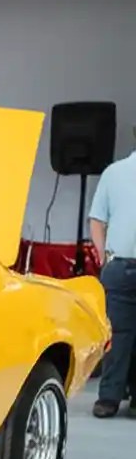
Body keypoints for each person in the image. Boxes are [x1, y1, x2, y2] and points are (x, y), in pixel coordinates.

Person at [88, 132, 136, 418]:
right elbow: (98, 218)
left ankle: (109, 400)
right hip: (119, 265)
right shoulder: (115, 172)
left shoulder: (113, 172)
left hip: (117, 265)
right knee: (118, 334)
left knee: (117, 334)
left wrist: (104, 254)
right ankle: (115, 397)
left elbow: (97, 219)